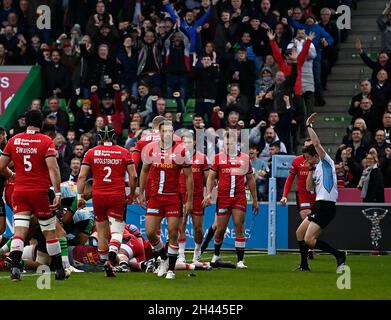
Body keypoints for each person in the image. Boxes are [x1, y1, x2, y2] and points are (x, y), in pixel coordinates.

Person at [0, 110, 68, 281]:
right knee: (49, 232)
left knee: (20, 231)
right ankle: (60, 271)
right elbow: (53, 169)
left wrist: (12, 176)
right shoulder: (46, 141)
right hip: (40, 192)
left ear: (25, 122)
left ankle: (15, 268)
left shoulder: (14, 140)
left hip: (20, 192)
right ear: (41, 123)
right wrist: (58, 192)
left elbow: (1, 166)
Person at [77, 125, 137, 277]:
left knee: (102, 232)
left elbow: (82, 176)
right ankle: (110, 260)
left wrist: (80, 197)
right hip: (117, 195)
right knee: (117, 231)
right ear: (114, 136)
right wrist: (132, 194)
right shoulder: (124, 152)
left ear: (100, 138)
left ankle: (105, 262)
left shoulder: (91, 152)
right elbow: (134, 176)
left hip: (99, 196)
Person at [138, 120, 194, 280]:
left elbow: (189, 177)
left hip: (173, 198)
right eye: (164, 131)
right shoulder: (151, 149)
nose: (167, 134)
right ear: (159, 132)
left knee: (172, 233)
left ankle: (171, 270)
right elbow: (144, 171)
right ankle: (163, 257)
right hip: (155, 198)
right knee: (150, 232)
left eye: (169, 131)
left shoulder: (181, 150)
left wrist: (189, 201)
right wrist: (140, 192)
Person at [295, 112, 346, 273]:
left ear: (316, 156)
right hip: (319, 205)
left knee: (310, 240)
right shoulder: (316, 168)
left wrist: (308, 126)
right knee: (299, 233)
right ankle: (304, 265)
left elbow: (316, 144)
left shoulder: (326, 162)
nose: (305, 161)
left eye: (308, 158)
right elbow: (309, 188)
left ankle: (339, 255)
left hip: (326, 206)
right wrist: (310, 169)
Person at [203, 130, 258, 269]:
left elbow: (250, 179)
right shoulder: (218, 158)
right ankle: (216, 255)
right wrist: (209, 194)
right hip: (223, 197)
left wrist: (255, 200)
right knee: (220, 229)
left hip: (239, 197)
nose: (228, 145)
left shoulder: (245, 158)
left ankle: (240, 260)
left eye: (231, 143)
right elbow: (211, 177)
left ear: (236, 143)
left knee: (239, 226)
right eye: (226, 143)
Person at [280, 138, 316, 259]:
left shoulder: (319, 161)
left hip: (318, 196)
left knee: (314, 223)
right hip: (303, 195)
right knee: (307, 218)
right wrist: (284, 196)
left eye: (310, 147)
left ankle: (310, 243)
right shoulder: (297, 161)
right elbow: (290, 179)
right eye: (305, 147)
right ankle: (308, 249)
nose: (307, 149)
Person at [178, 131, 209, 263]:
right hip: (180, 196)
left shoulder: (202, 158)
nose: (186, 144)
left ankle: (197, 252)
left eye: (189, 141)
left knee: (198, 228)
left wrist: (208, 194)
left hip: (197, 197)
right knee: (181, 225)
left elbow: (209, 178)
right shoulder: (178, 157)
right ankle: (181, 254)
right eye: (184, 141)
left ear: (194, 142)